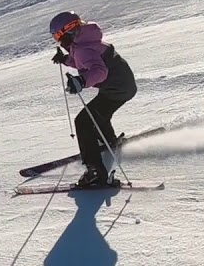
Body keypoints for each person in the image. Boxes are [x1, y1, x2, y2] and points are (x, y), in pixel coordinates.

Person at [48, 11, 138, 188]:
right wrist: (66, 60)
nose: (58, 41)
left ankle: (95, 172)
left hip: (116, 88)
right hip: (122, 85)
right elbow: (83, 61)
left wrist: (81, 81)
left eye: (58, 36)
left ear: (68, 31)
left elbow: (99, 71)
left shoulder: (81, 48)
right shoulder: (84, 41)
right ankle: (108, 140)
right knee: (98, 114)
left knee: (84, 122)